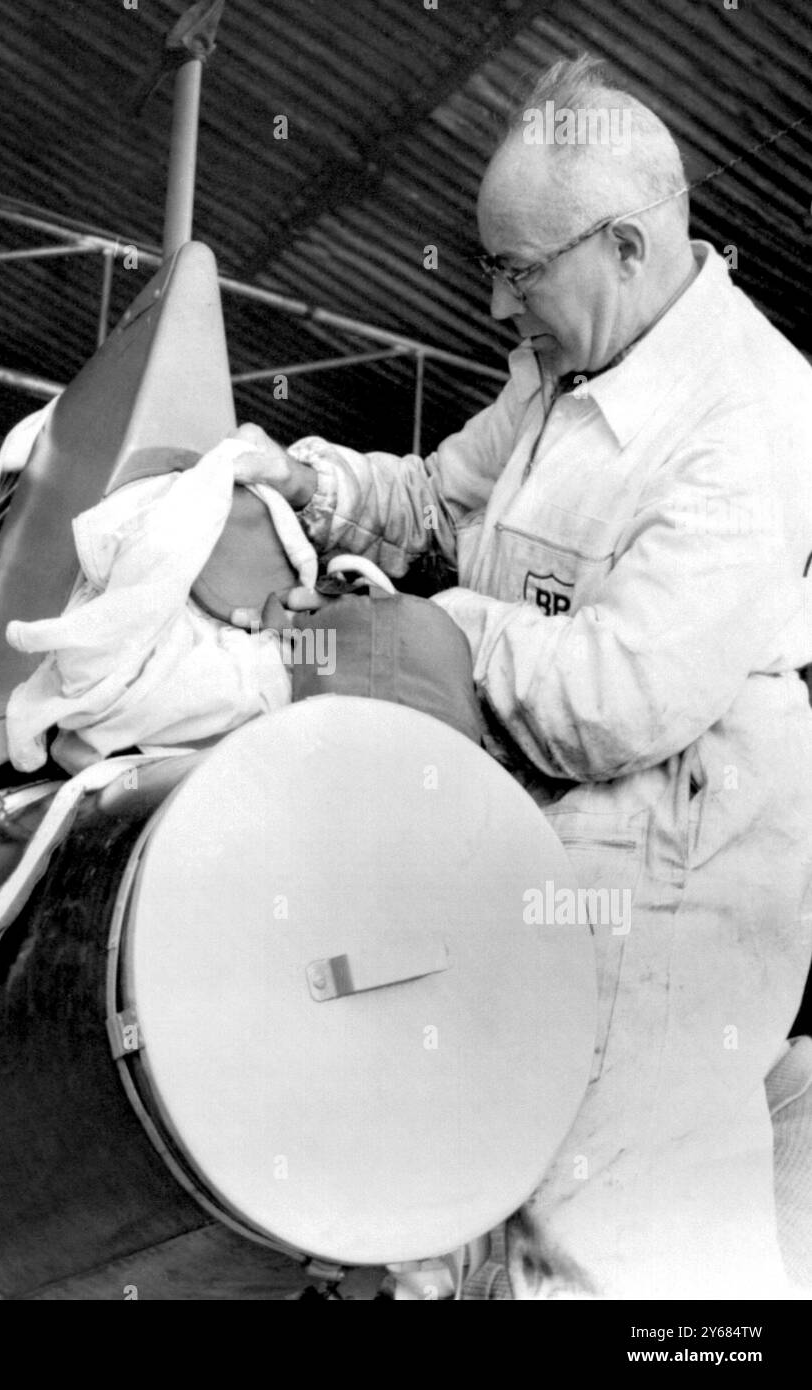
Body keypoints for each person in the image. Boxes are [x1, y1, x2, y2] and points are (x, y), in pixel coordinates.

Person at [229, 55, 812, 1299]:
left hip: (675, 893)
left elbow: (620, 698)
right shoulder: (567, 366)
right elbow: (440, 497)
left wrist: (441, 631)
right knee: (479, 1198)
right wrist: (311, 483)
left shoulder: (753, 417)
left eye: (516, 272)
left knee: (609, 1245)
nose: (496, 308)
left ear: (623, 246)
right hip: (543, 852)